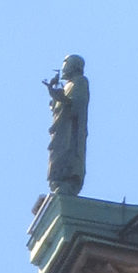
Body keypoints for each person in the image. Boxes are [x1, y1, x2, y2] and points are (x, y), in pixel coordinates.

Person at [44, 54, 89, 195]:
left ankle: (67, 183)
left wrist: (60, 97)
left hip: (70, 131)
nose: (64, 68)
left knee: (68, 155)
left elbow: (76, 105)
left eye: (67, 65)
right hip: (60, 129)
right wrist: (54, 96)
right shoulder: (67, 85)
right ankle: (56, 183)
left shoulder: (80, 82)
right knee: (56, 156)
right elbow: (58, 107)